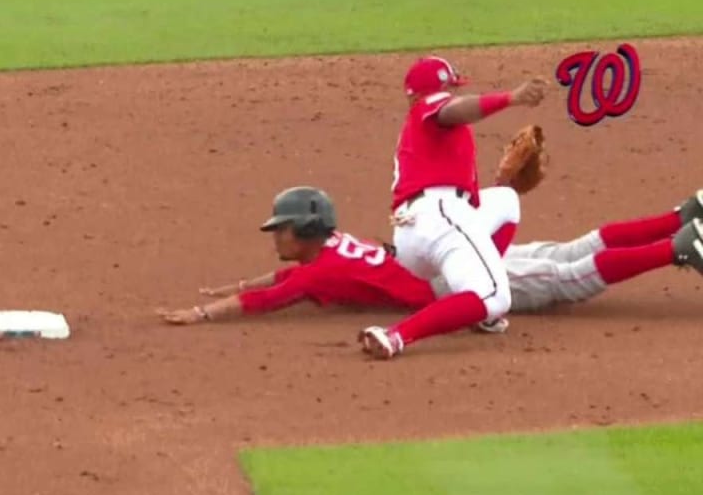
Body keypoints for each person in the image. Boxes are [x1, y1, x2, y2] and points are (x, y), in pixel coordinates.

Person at [155, 186, 703, 329]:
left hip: (449, 283)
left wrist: (203, 313)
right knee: (570, 250)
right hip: (445, 257)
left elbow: (270, 298)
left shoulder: (319, 271)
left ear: (304, 232)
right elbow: (281, 277)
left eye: (281, 229)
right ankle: (681, 215)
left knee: (566, 277)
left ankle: (676, 247)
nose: (276, 236)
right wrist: (231, 285)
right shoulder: (333, 251)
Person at [359, 56, 547, 360]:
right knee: (496, 297)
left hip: (416, 228)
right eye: (450, 88)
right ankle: (396, 335)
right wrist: (510, 98)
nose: (454, 94)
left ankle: (479, 310)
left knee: (505, 200)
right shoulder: (429, 107)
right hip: (440, 218)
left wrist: (501, 181)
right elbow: (452, 110)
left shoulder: (421, 131)